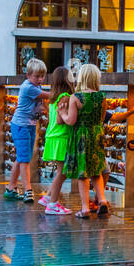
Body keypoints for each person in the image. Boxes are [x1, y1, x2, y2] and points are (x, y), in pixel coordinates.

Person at [61, 64, 134, 219]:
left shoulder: (76, 97)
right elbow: (103, 118)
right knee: (97, 170)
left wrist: (62, 113)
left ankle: (85, 208)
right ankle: (103, 201)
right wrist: (131, 111)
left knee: (83, 174)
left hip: (81, 137)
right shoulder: (101, 97)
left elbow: (71, 121)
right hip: (97, 136)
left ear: (82, 78)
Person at [5, 58, 48, 202]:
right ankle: (28, 190)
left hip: (29, 125)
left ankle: (10, 188)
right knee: (24, 159)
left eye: (42, 76)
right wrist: (64, 93)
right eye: (37, 76)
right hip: (21, 126)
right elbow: (48, 96)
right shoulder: (28, 87)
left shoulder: (37, 87)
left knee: (23, 157)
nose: (40, 79)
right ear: (28, 75)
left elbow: (42, 105)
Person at [39, 66, 75, 215]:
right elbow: (61, 120)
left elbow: (50, 119)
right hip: (61, 137)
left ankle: (48, 197)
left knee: (62, 171)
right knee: (63, 172)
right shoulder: (65, 96)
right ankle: (53, 204)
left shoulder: (53, 97)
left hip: (52, 136)